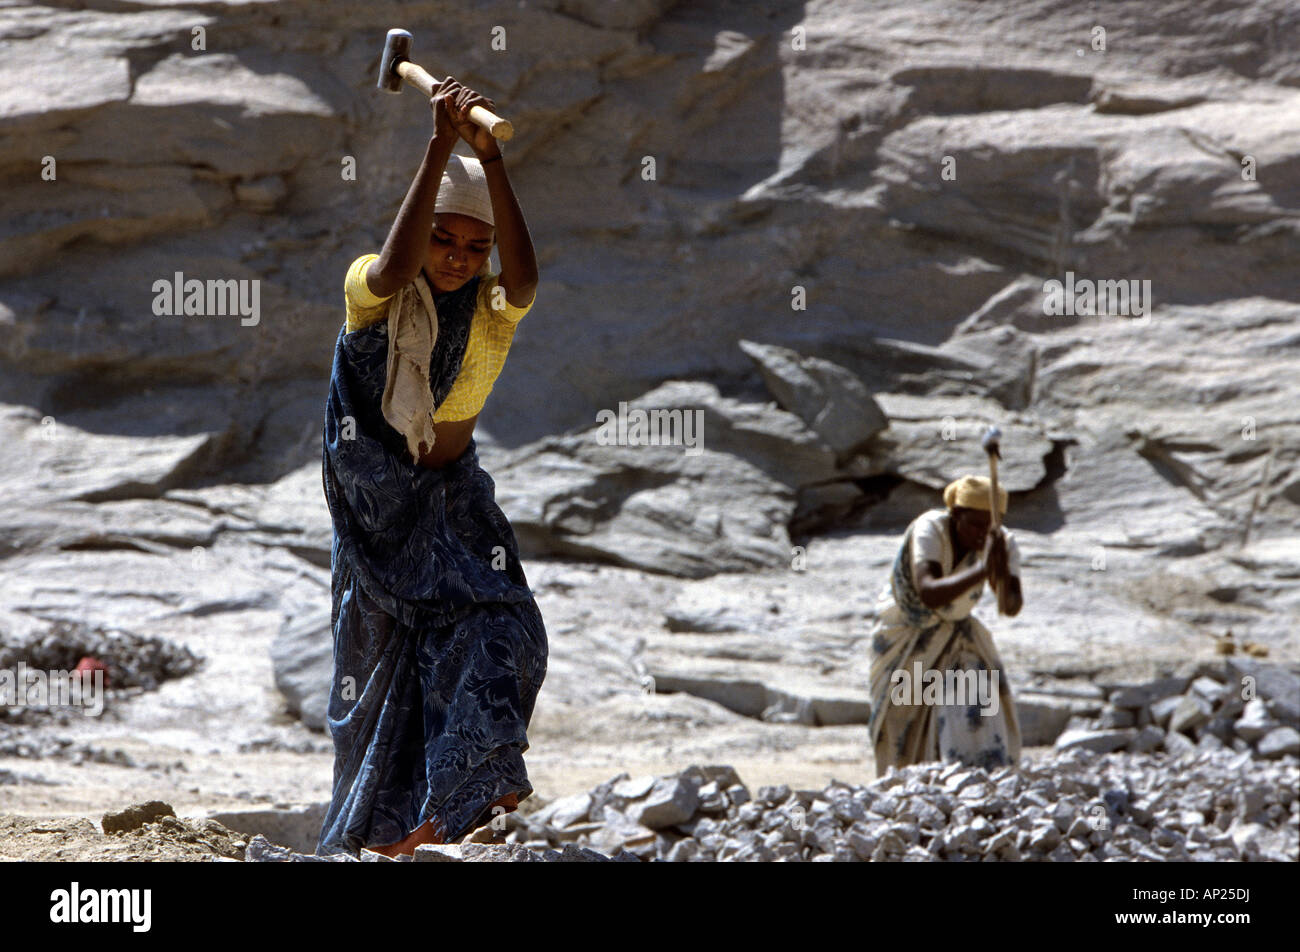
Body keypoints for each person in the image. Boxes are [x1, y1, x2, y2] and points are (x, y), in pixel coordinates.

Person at [316, 77, 547, 857]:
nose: (456, 258)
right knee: (380, 689)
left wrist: (492, 162)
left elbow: (524, 280)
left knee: (504, 626)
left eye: (472, 246)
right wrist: (439, 145)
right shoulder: (373, 293)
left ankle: (469, 801)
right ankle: (384, 839)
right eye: (443, 240)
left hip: (452, 510)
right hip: (381, 525)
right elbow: (391, 268)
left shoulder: (491, 311)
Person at [866, 474, 1023, 777]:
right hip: (907, 634)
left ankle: (973, 777)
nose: (981, 534)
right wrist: (982, 569)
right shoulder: (930, 529)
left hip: (960, 636)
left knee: (973, 702)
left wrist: (1001, 572)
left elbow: (1011, 606)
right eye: (973, 525)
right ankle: (912, 789)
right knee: (903, 721)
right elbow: (929, 592)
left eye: (988, 526)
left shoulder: (1000, 542)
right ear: (955, 515)